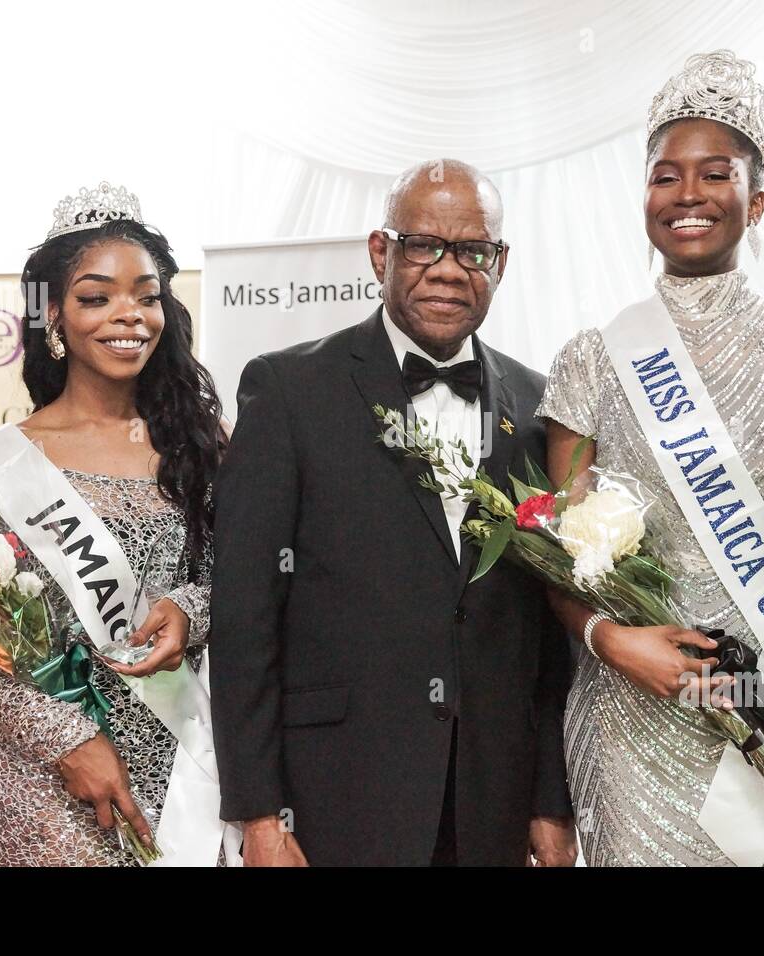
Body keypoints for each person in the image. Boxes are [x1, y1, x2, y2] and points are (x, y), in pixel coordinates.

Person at [211, 159, 575, 866]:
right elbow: (244, 615)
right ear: (381, 252)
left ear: (500, 264)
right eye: (423, 244)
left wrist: (550, 799)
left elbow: (549, 640)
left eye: (472, 251)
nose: (447, 269)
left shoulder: (540, 407)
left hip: (491, 809)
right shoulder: (288, 390)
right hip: (332, 799)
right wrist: (256, 811)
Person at [538, 50, 764, 866]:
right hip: (635, 715)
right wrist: (611, 640)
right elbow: (555, 555)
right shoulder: (593, 359)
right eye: (665, 175)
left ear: (757, 200)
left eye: (715, 174)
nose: (687, 196)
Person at [0, 183, 231, 865]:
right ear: (54, 318)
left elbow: (244, 578)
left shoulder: (206, 446)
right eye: (96, 297)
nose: (127, 315)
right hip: (46, 790)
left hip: (189, 775)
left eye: (147, 294)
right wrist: (66, 740)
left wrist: (190, 608)